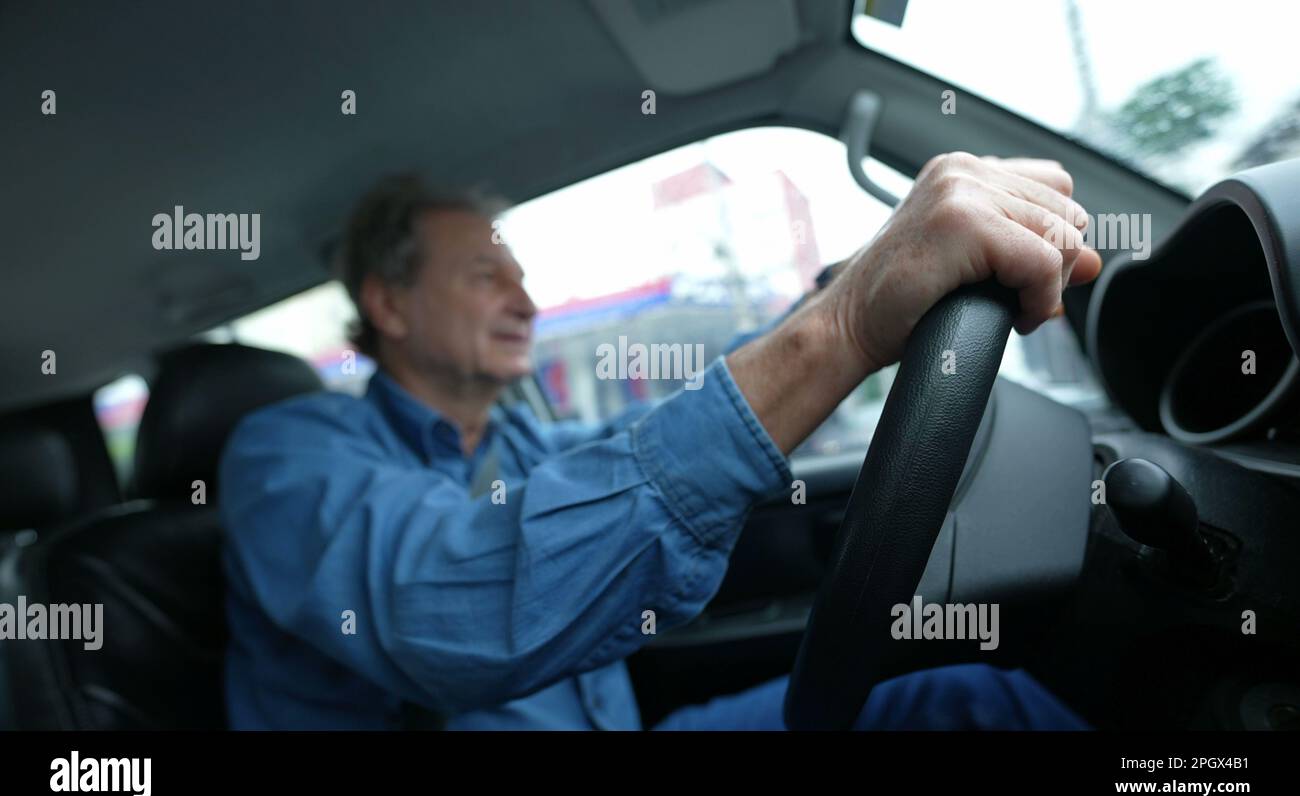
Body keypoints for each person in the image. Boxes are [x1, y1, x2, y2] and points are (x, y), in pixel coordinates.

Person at [219, 152, 1100, 730]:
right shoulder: (285, 457)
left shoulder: (523, 443)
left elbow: (679, 420)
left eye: (525, 278)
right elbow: (464, 601)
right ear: (390, 303)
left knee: (968, 703)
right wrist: (836, 330)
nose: (525, 302)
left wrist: (851, 285)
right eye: (487, 277)